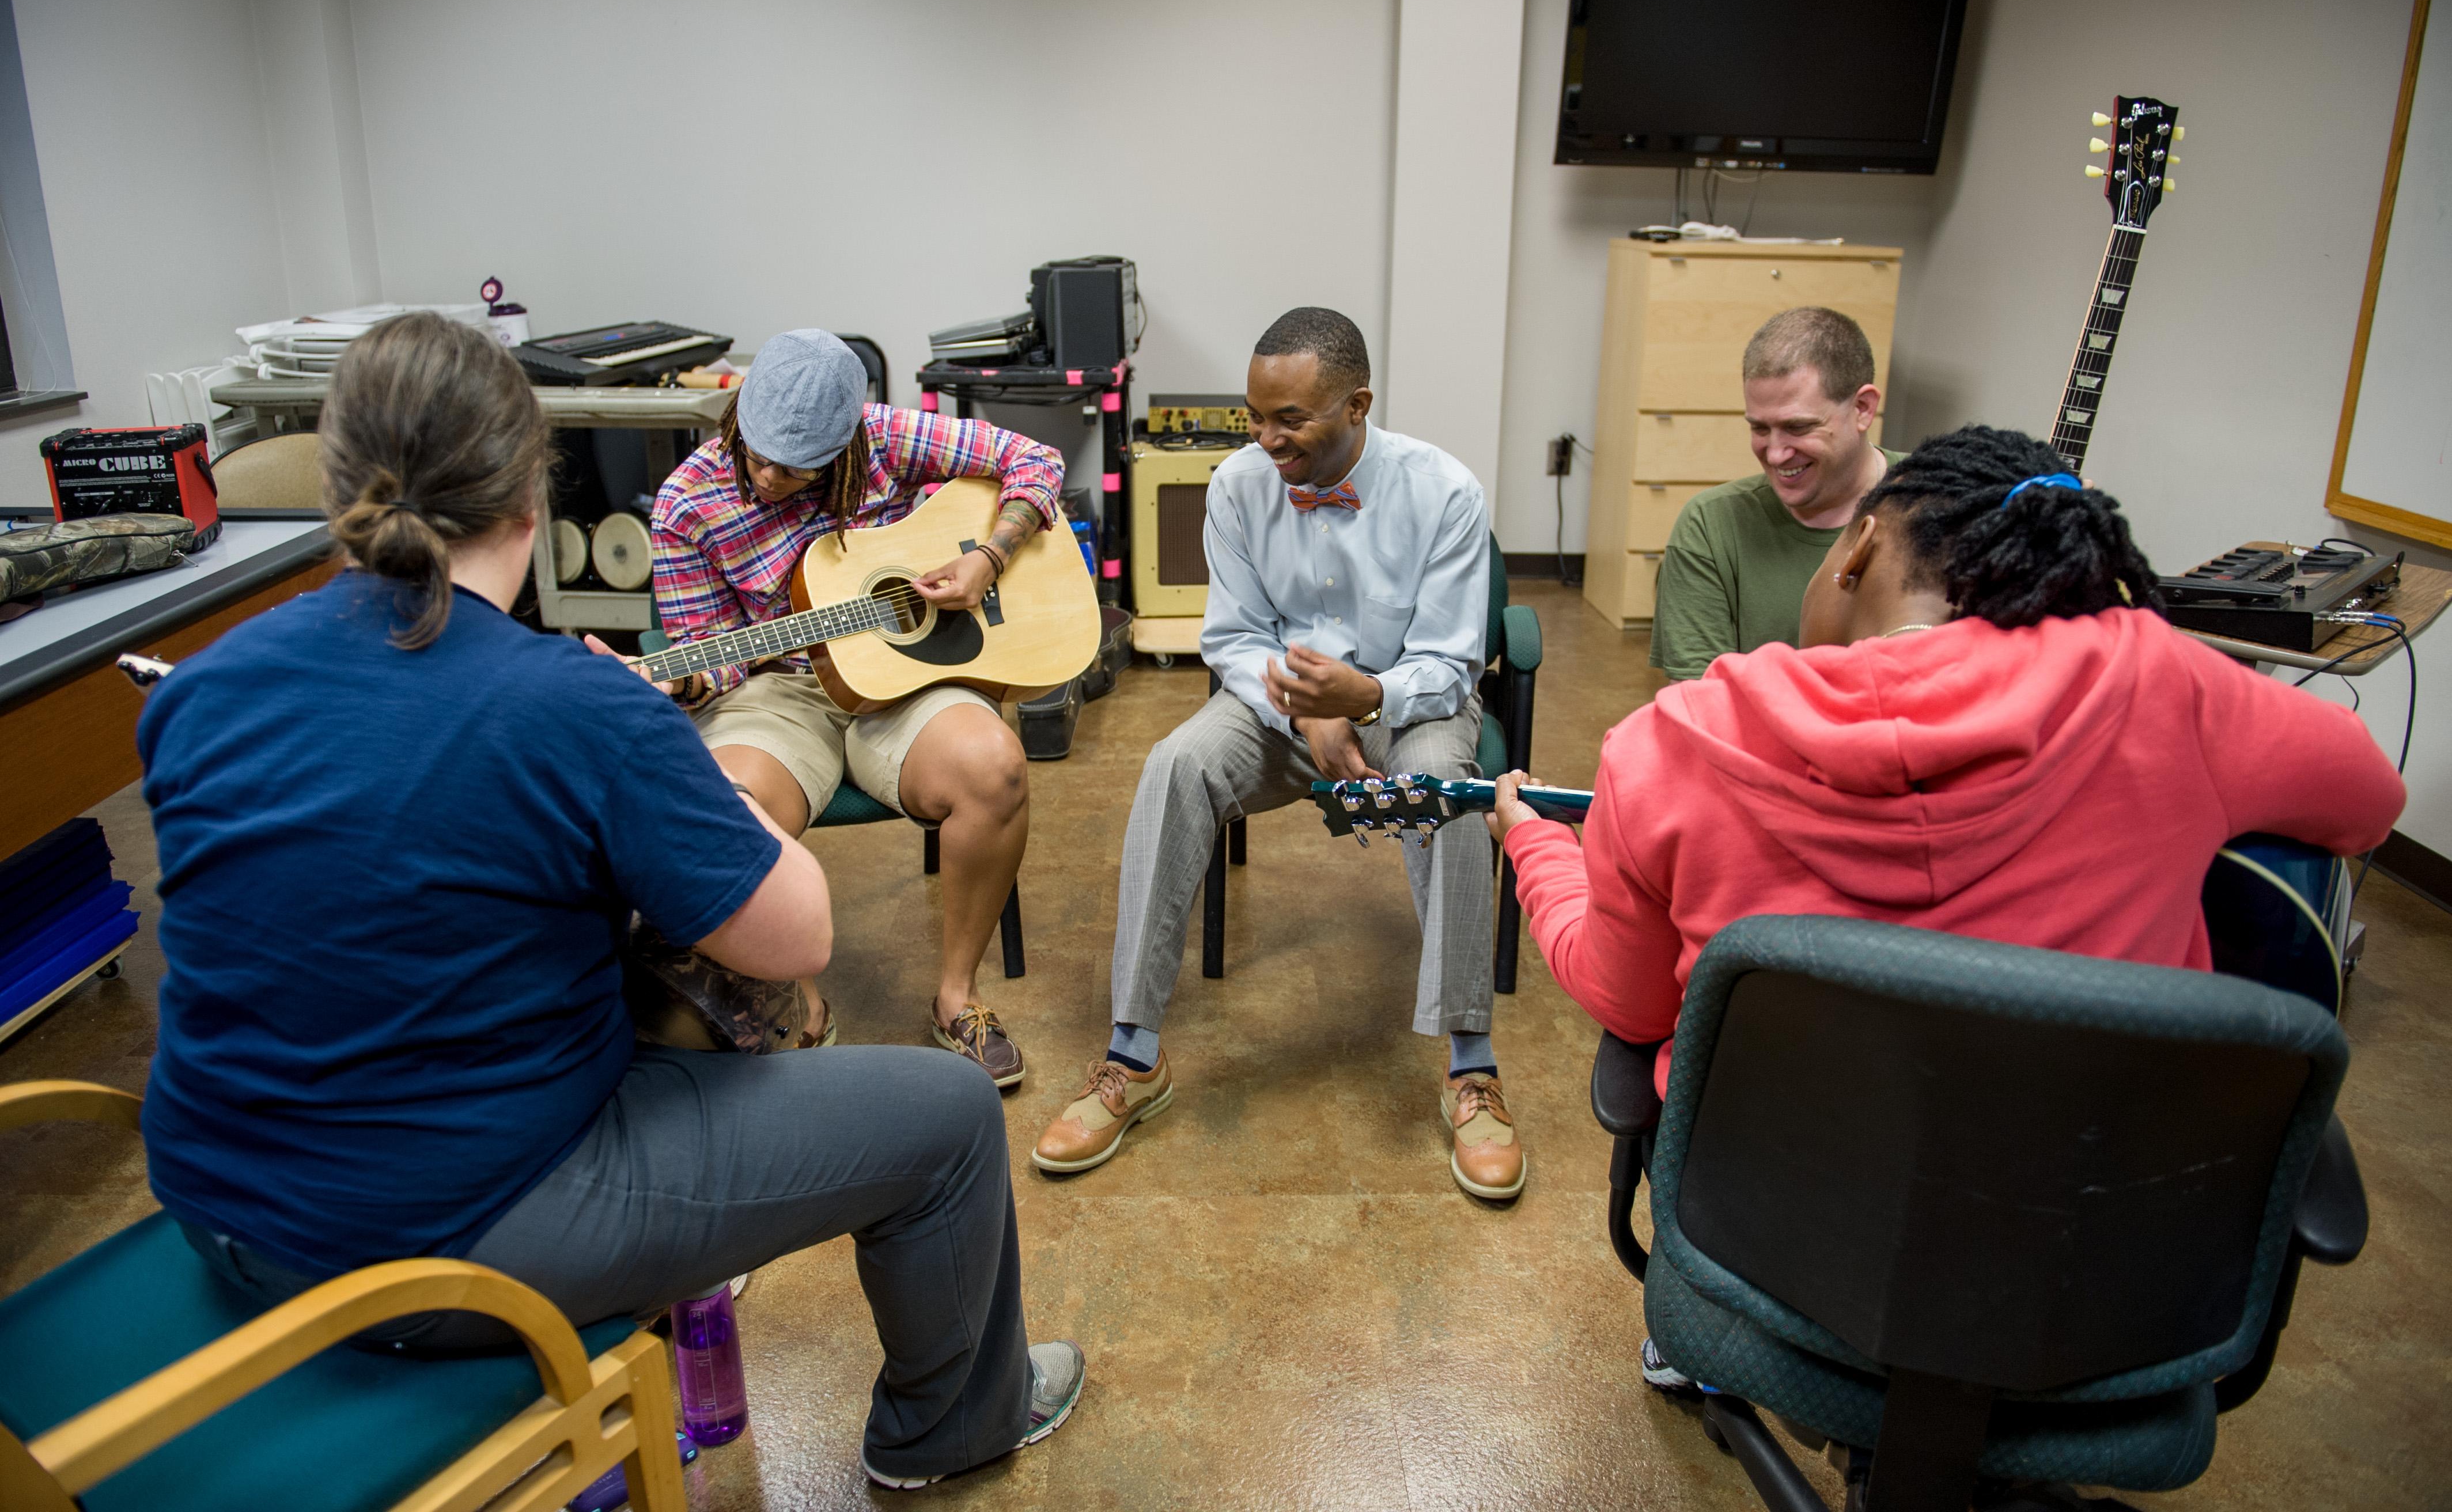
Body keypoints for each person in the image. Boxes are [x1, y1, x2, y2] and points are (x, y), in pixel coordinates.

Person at [137, 313, 1083, 1489]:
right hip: (445, 1246)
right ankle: (949, 1430)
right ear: (532, 496)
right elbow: (798, 932)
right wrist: (641, 736)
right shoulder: (570, 699)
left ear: (337, 483)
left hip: (219, 1211)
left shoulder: (196, 692)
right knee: (944, 1118)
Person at [1488, 425, 2405, 1385]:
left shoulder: (1669, 742)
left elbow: (1626, 1002)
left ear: (1859, 547)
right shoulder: (2158, 676)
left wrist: (1537, 843)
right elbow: (2369, 801)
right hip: (2089, 1282)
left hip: (1773, 1250)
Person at [1030, 306, 1526, 1199]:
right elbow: (1235, 637)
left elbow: (1452, 662)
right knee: (1173, 764)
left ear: (1358, 405)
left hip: (1405, 704)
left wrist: (1363, 699)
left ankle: (1470, 1066)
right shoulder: (1237, 484)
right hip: (1281, 708)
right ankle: (1132, 1058)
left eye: (1290, 420)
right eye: (1256, 416)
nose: (1266, 439)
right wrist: (1307, 717)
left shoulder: (1444, 490)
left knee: (1450, 789)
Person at [645, 329, 1065, 1088]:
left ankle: (958, 999)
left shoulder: (886, 438)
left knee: (996, 768)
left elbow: (1037, 459)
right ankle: (786, 993)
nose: (769, 476)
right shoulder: (686, 502)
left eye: (794, 464)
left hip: (905, 676)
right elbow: (713, 652)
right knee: (726, 812)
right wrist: (685, 679)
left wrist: (988, 557)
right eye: (759, 453)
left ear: (845, 446)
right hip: (776, 687)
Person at [1648, 306, 1902, 683]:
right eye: (1760, 429)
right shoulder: (1712, 526)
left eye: (1798, 427)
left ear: (1863, 409)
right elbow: (1701, 707)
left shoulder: (1945, 505)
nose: (1775, 453)